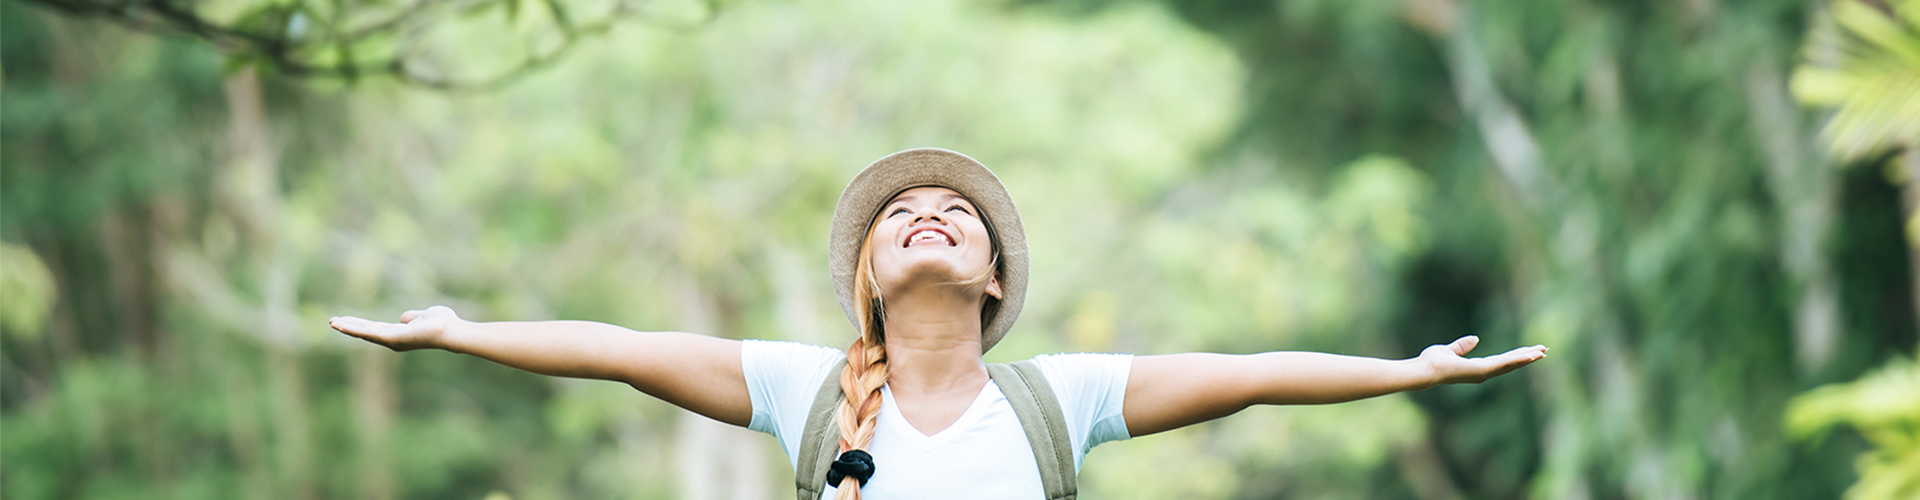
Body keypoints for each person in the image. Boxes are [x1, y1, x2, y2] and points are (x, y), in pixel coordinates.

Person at [329, 148, 1548, 499]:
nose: (928, 216)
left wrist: (1404, 371)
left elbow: (1247, 373)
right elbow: (618, 347)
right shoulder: (801, 388)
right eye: (900, 213)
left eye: (954, 213)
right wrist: (457, 331)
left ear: (992, 282)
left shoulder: (1058, 400)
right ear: (867, 276)